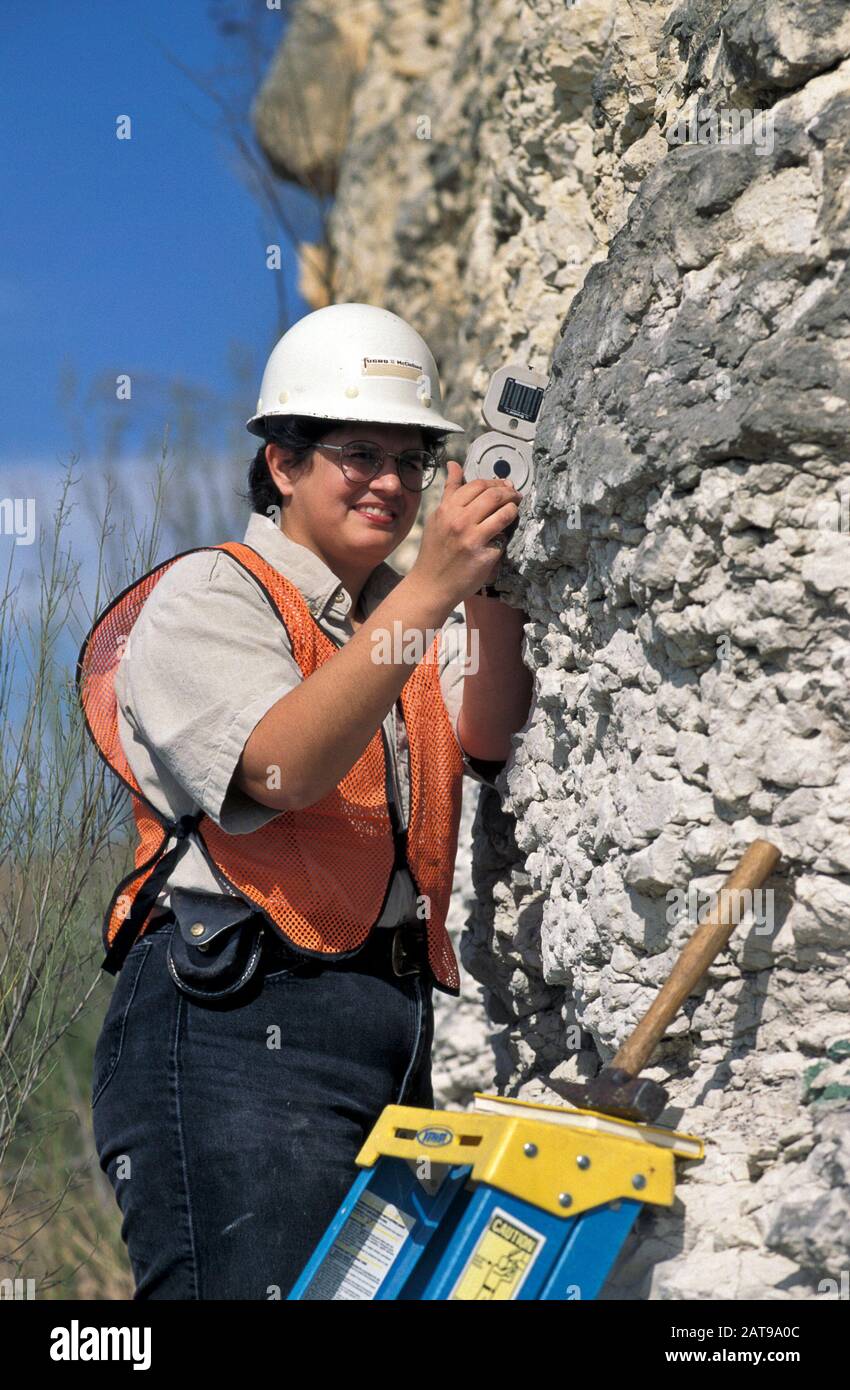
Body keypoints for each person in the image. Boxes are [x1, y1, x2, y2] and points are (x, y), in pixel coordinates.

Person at [86, 302, 534, 1299]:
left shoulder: (397, 620)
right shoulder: (212, 594)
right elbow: (278, 768)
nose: (390, 482)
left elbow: (489, 733)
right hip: (234, 1019)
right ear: (282, 463)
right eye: (358, 453)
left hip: (384, 1021)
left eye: (411, 460)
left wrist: (482, 592)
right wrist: (426, 592)